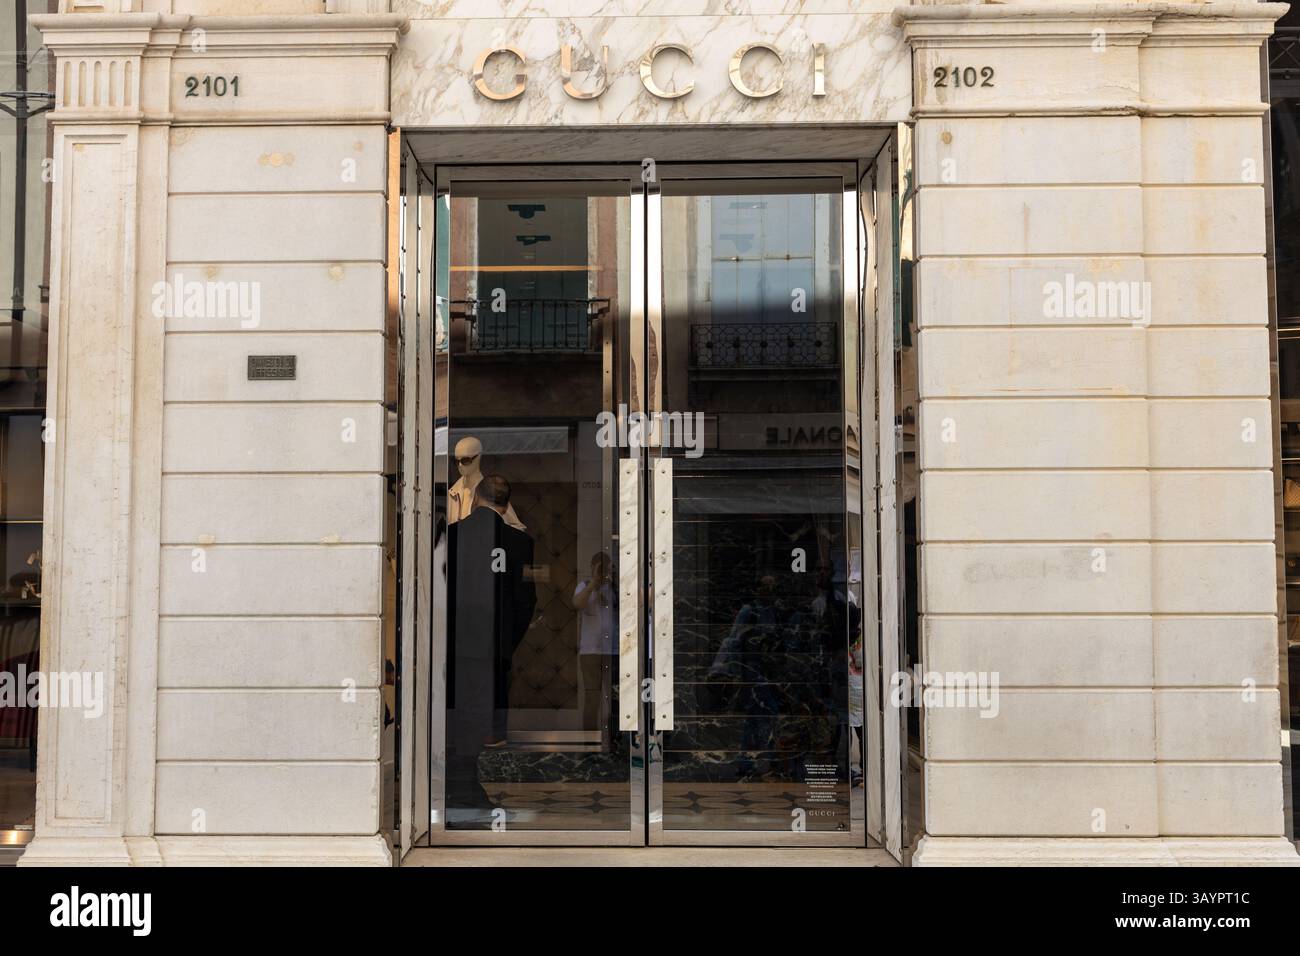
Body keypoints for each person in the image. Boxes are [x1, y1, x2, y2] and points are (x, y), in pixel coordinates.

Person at [447, 474, 537, 785]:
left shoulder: (451, 536)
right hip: (497, 648)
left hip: (455, 647)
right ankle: (483, 784)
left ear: (474, 498)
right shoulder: (521, 543)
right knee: (491, 722)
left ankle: (459, 786)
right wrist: (507, 641)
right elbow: (527, 601)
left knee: (457, 719)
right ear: (506, 504)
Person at [573, 551, 613, 737]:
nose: (602, 571)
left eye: (605, 567)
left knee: (615, 698)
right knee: (592, 699)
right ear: (592, 567)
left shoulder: (616, 588)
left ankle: (614, 739)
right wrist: (594, 584)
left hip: (613, 651)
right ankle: (588, 742)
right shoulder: (584, 586)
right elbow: (577, 604)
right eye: (598, 567)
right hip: (590, 652)